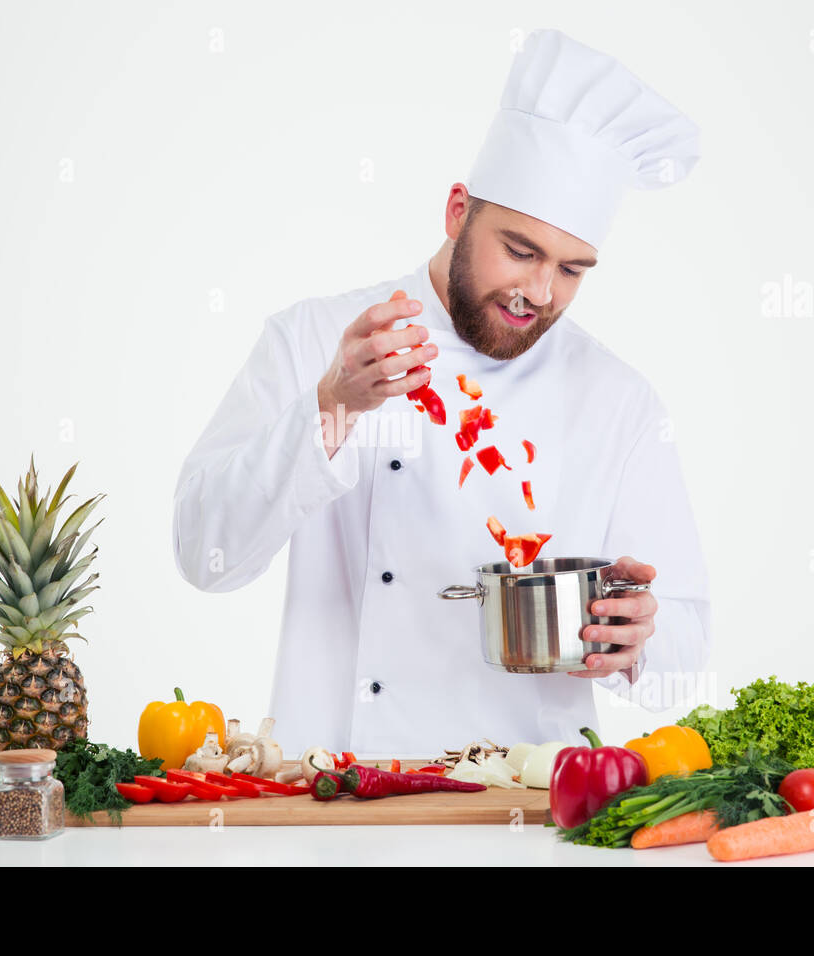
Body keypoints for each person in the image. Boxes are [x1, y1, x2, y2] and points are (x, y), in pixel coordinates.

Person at [173, 29, 711, 755]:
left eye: (573, 268)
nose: (539, 293)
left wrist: (640, 638)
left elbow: (685, 648)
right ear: (458, 210)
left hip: (526, 802)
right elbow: (204, 553)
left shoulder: (618, 401)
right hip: (334, 791)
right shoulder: (313, 338)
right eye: (519, 251)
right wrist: (330, 408)